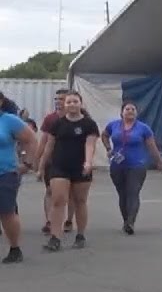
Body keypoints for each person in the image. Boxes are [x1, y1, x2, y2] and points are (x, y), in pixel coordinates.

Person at [36, 91, 98, 252]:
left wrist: (88, 162)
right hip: (59, 166)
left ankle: (81, 235)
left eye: (75, 101)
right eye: (68, 102)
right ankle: (55, 237)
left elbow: (90, 145)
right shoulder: (57, 124)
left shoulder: (89, 124)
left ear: (80, 104)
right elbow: (49, 146)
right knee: (58, 200)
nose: (71, 104)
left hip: (80, 167)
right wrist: (41, 166)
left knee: (80, 201)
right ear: (64, 105)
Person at [102, 102, 162, 234]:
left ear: (136, 112)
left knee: (133, 192)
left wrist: (159, 162)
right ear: (122, 112)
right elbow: (104, 135)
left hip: (137, 165)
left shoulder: (143, 128)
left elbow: (151, 146)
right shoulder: (113, 125)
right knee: (122, 194)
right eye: (127, 109)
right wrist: (108, 148)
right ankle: (125, 220)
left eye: (133, 109)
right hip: (117, 165)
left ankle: (131, 222)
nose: (130, 111)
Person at [0, 109, 39, 263]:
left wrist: (27, 163)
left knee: (6, 212)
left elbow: (31, 140)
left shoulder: (9, 120)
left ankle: (15, 249)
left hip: (5, 174)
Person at [37, 90, 71, 237]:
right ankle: (50, 221)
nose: (58, 102)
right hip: (53, 161)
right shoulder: (50, 119)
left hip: (72, 161)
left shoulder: (80, 118)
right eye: (56, 99)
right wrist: (38, 161)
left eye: (61, 99)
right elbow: (43, 141)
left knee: (71, 194)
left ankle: (69, 220)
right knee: (50, 191)